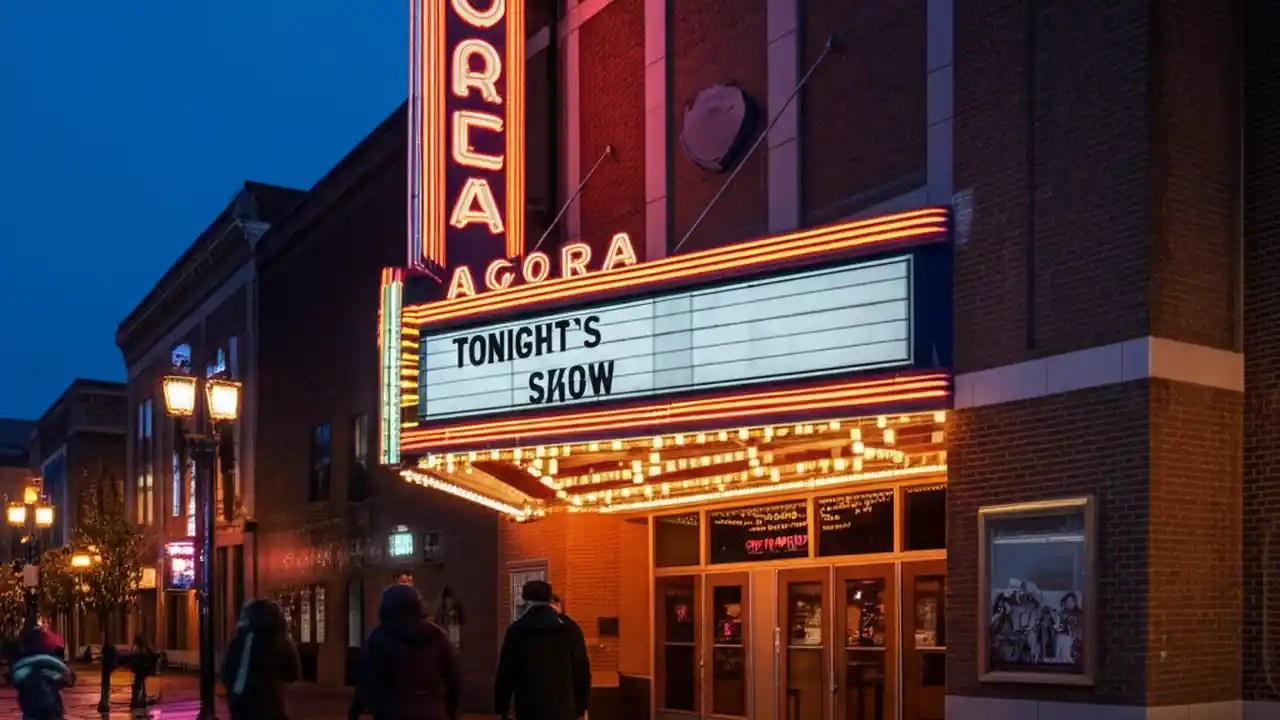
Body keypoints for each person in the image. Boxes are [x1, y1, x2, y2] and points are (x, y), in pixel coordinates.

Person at [348, 584, 460, 720]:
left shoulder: (378, 638)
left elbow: (365, 680)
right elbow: (453, 680)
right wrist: (450, 712)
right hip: (432, 712)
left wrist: (356, 710)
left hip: (391, 713)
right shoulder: (437, 635)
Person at [495, 581, 591, 720]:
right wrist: (582, 707)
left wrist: (502, 708)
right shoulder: (570, 629)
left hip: (528, 709)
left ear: (525, 600)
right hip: (563, 708)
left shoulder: (517, 630)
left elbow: (506, 672)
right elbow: (581, 671)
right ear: (549, 598)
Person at [220, 599, 301, 720]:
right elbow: (292, 673)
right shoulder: (282, 640)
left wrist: (233, 694)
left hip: (244, 702)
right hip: (273, 703)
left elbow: (228, 669)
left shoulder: (243, 639)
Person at [12, 625, 74, 720]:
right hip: (52, 713)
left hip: (31, 713)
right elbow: (65, 679)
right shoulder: (52, 663)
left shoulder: (21, 666)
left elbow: (17, 681)